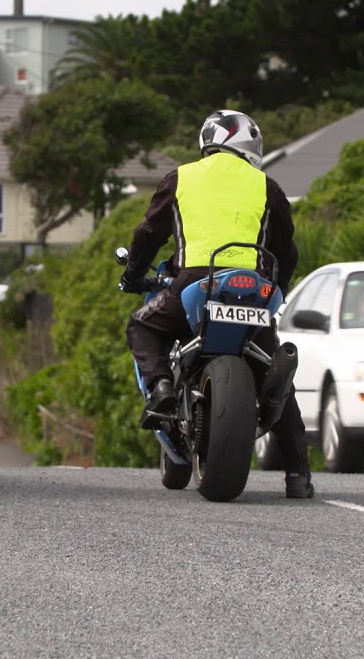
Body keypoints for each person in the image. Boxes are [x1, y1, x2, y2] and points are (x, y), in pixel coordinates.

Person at [120, 109, 315, 499]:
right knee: (274, 374)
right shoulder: (267, 186)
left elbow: (148, 233)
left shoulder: (181, 177)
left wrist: (132, 276)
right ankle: (298, 475)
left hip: (194, 283)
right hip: (254, 289)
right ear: (251, 146)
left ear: (207, 142)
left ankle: (162, 387)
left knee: (142, 325)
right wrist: (276, 293)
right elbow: (286, 251)